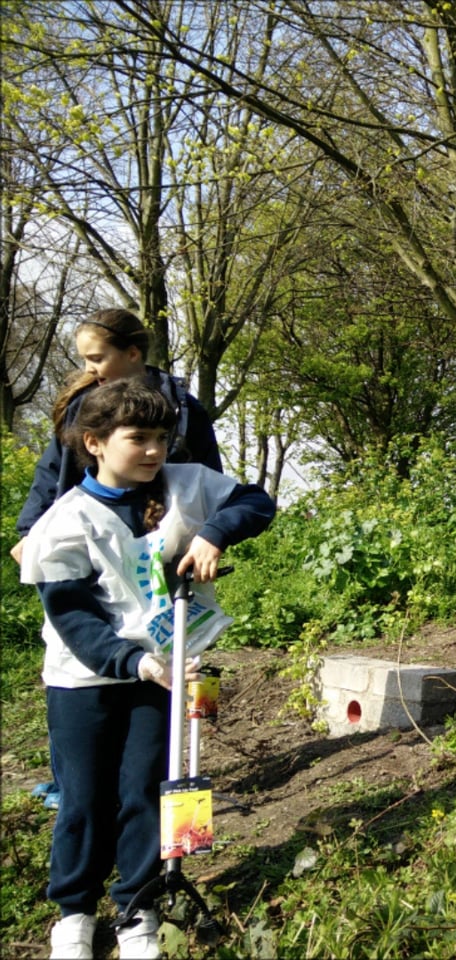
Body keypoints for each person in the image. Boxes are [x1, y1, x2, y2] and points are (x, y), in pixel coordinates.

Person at [18, 379, 275, 960]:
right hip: (85, 679)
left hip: (166, 673)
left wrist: (214, 532)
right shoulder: (67, 520)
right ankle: (75, 915)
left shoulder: (187, 486)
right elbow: (73, 617)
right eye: (138, 438)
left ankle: (137, 908)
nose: (155, 450)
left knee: (145, 792)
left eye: (161, 437)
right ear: (95, 442)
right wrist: (135, 662)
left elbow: (256, 501)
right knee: (83, 798)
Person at [12, 308, 222, 812]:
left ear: (132, 354)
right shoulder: (85, 406)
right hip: (85, 543)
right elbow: (52, 472)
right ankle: (74, 781)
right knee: (78, 657)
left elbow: (211, 482)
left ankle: (156, 777)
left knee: (156, 662)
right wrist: (31, 530)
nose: (91, 367)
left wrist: (209, 536)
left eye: (98, 357)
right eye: (85, 359)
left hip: (158, 551)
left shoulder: (183, 409)